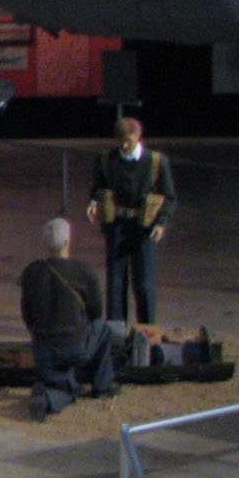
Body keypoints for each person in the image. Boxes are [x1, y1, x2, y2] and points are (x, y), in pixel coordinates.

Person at [19, 217, 117, 419]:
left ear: (45, 244)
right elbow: (96, 312)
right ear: (67, 242)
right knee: (104, 330)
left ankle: (49, 397)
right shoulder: (84, 273)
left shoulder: (31, 272)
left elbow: (27, 312)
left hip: (44, 348)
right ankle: (102, 386)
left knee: (61, 384)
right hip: (74, 346)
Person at [85, 116, 175, 324]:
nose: (125, 146)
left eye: (129, 141)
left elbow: (169, 196)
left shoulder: (156, 162)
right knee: (116, 284)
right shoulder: (107, 159)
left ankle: (146, 333)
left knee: (144, 284)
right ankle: (117, 334)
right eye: (121, 141)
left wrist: (162, 222)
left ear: (138, 137)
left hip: (144, 229)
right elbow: (99, 185)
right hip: (117, 226)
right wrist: (93, 201)